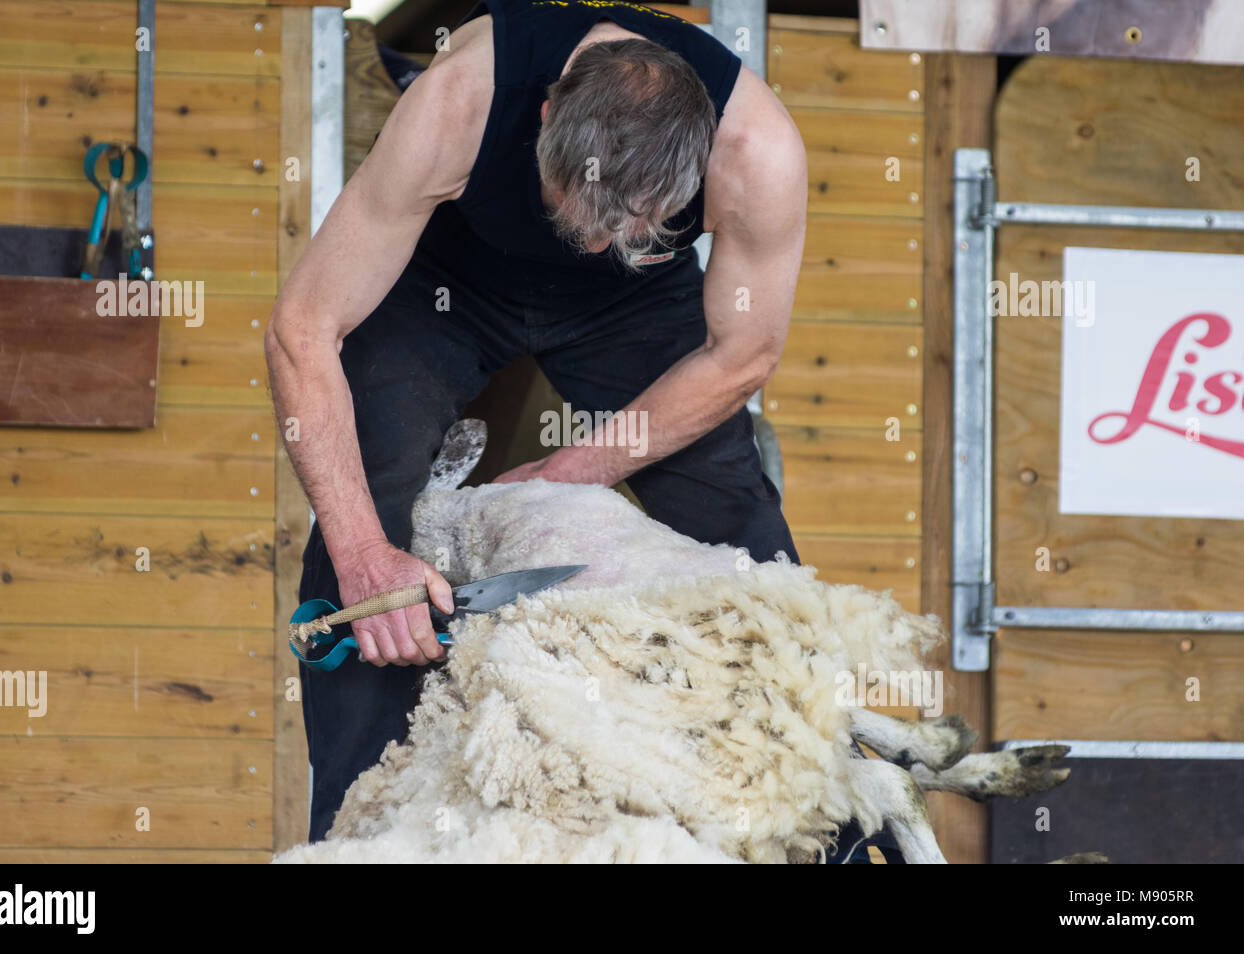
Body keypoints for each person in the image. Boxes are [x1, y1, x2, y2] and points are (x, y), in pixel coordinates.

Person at [268, 0, 899, 861]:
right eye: (586, 219)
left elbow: (742, 356)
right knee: (363, 516)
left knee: (744, 530)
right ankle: (357, 835)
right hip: (448, 279)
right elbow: (303, 329)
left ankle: (841, 835)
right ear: (546, 119)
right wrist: (364, 555)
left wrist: (575, 471)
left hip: (631, 306)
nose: (598, 241)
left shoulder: (758, 152)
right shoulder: (458, 103)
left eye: (629, 228)